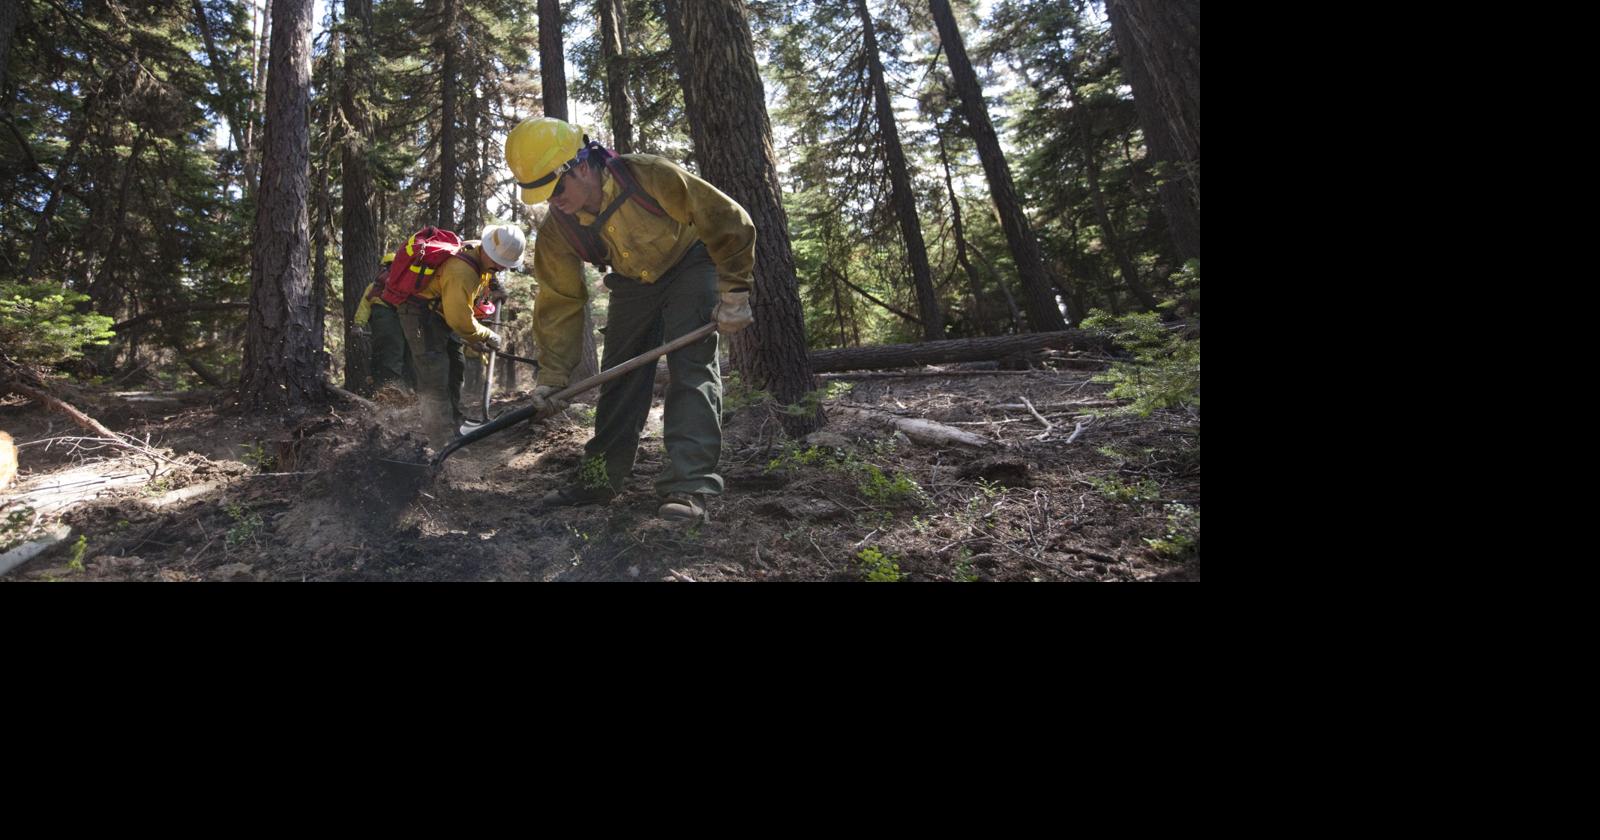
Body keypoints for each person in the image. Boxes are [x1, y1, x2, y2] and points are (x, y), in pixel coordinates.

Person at [505, 117, 754, 524]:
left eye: (556, 189)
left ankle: (689, 487)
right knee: (619, 377)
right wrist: (553, 376)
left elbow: (726, 217)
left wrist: (735, 291)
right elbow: (559, 301)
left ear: (581, 166)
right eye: (543, 195)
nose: (553, 201)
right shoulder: (558, 231)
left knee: (691, 369)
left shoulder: (649, 175)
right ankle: (599, 480)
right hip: (632, 282)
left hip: (692, 264)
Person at [396, 224, 523, 445]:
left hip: (441, 313)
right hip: (421, 315)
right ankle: (440, 440)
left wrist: (495, 288)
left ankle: (455, 424)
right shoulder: (461, 271)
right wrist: (485, 335)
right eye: (500, 263)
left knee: (456, 367)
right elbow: (460, 320)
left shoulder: (480, 252)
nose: (502, 268)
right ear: (489, 252)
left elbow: (461, 310)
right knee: (435, 376)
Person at [353, 254, 416, 395]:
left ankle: (388, 390)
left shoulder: (374, 287)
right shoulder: (408, 283)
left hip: (383, 319)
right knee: (403, 355)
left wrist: (358, 324)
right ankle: (397, 392)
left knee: (388, 355)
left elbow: (364, 306)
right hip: (402, 318)